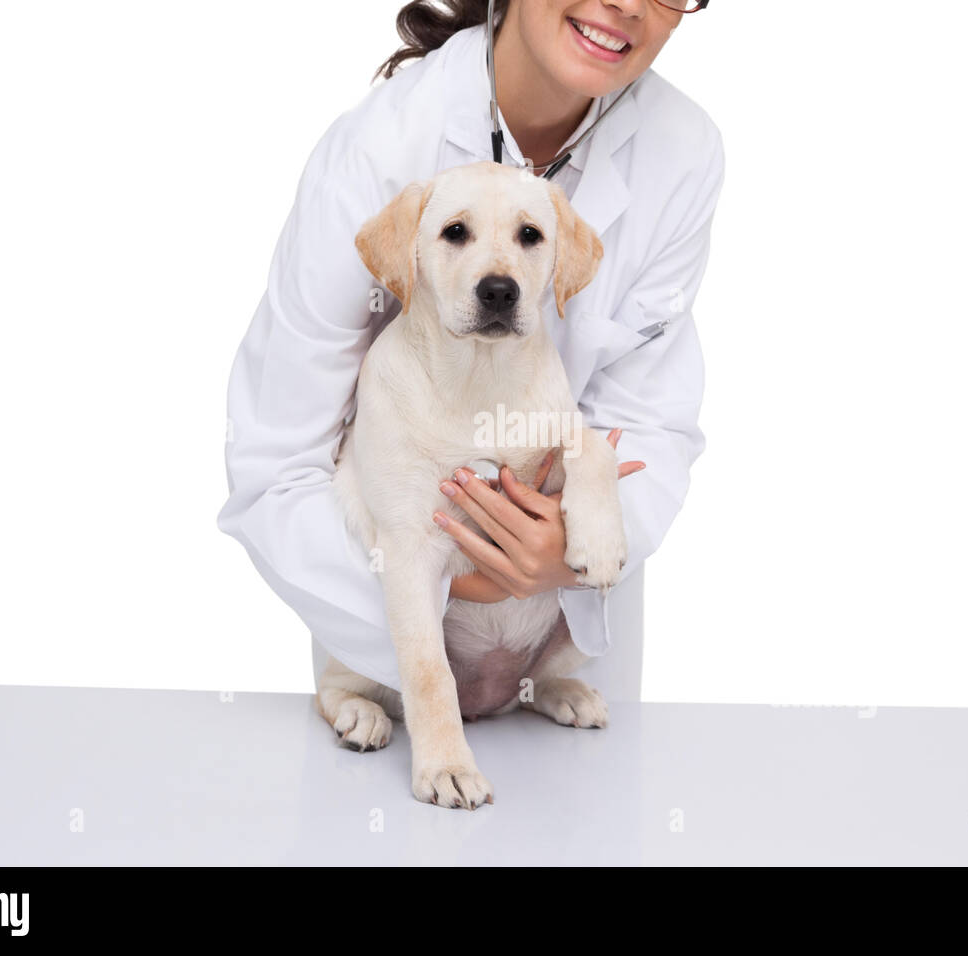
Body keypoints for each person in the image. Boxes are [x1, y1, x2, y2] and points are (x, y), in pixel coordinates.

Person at [218, 0, 723, 693]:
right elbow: (275, 465)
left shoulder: (684, 150)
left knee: (599, 796)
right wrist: (441, 584)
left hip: (560, 645)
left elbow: (652, 420)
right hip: (392, 657)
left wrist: (567, 556)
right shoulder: (381, 146)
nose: (630, 4)